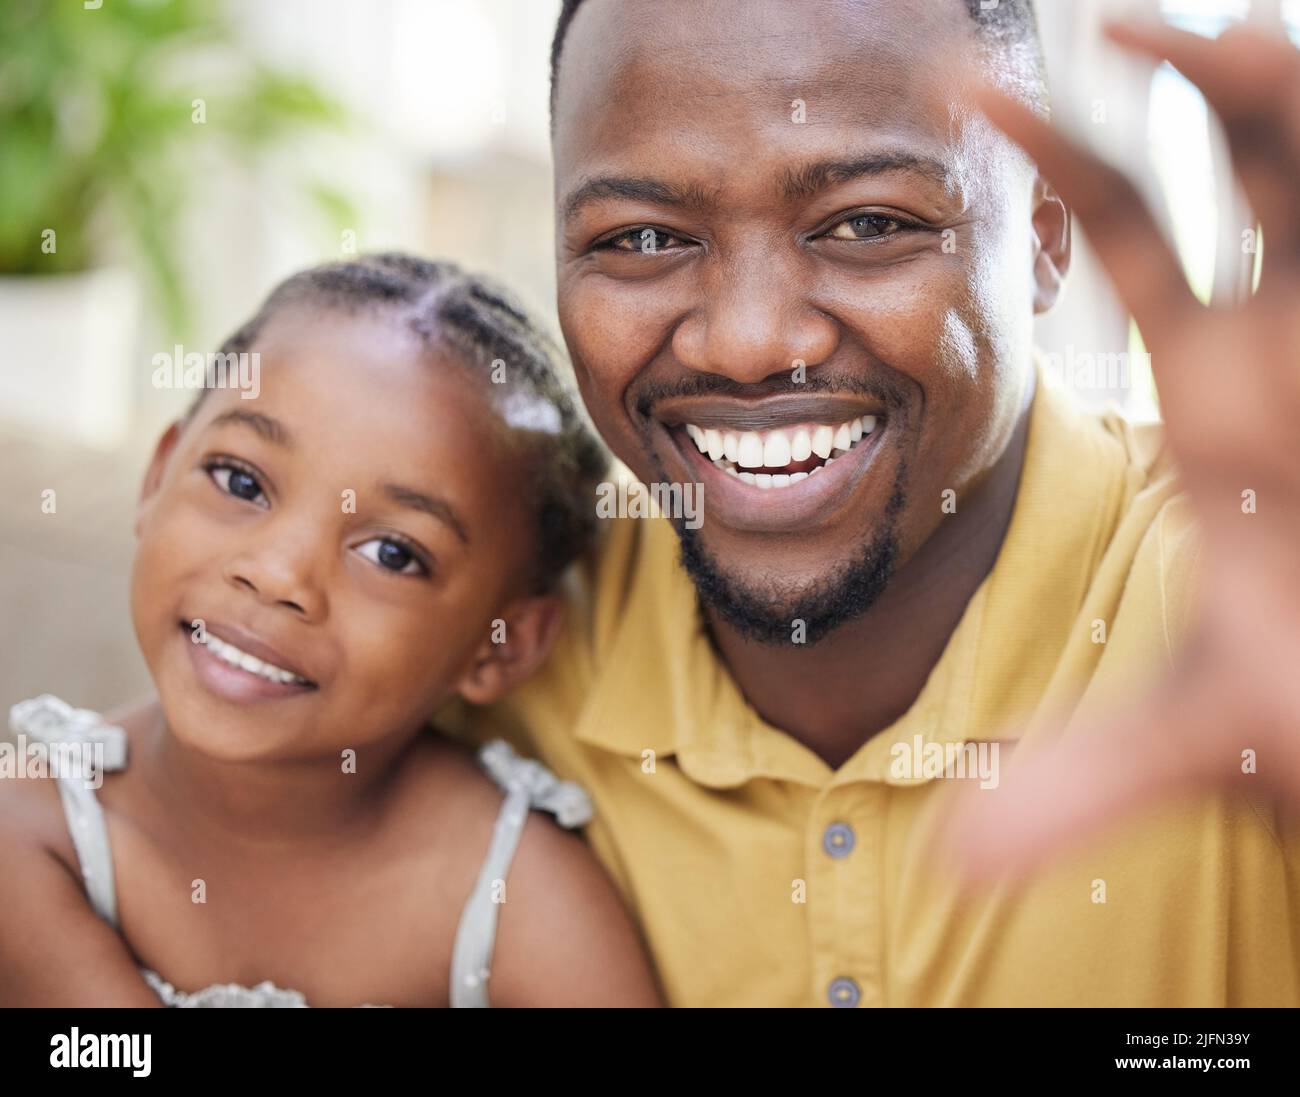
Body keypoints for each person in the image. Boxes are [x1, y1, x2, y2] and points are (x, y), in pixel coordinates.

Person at [447, 0, 1300, 1006]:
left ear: (1039, 246)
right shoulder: (488, 634)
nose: (749, 343)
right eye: (639, 236)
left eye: (867, 223)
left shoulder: (1240, 583)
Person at [0, 254, 661, 1007]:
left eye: (393, 553)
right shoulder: (31, 833)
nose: (278, 574)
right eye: (241, 481)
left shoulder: (510, 891)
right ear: (156, 478)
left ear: (500, 643)